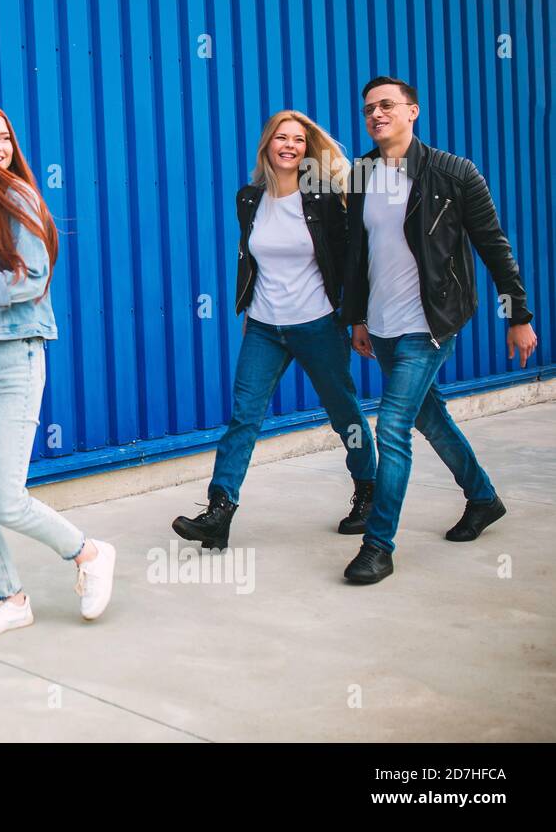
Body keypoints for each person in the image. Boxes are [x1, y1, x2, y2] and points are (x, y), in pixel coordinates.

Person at [0, 101, 116, 640]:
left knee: (5, 496)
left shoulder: (18, 195)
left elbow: (33, 278)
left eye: (3, 137)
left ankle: (90, 553)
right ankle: (10, 598)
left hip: (14, 359)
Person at [340, 76, 538, 584]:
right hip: (381, 326)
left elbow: (494, 245)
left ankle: (378, 546)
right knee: (431, 418)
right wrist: (358, 318)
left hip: (430, 323)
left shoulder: (454, 173)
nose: (376, 115)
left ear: (413, 111)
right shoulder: (360, 173)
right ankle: (483, 498)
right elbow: (358, 255)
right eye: (368, 109)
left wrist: (519, 316)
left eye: (387, 106)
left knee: (393, 426)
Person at [172, 111, 376, 550]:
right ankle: (219, 512)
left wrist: (356, 318)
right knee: (244, 417)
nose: (289, 145)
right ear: (267, 145)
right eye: (280, 138)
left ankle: (368, 491)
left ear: (306, 148)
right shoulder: (249, 198)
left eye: (298, 140)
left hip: (318, 324)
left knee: (344, 414)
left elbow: (347, 264)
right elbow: (252, 260)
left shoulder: (322, 197)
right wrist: (248, 310)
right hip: (264, 326)